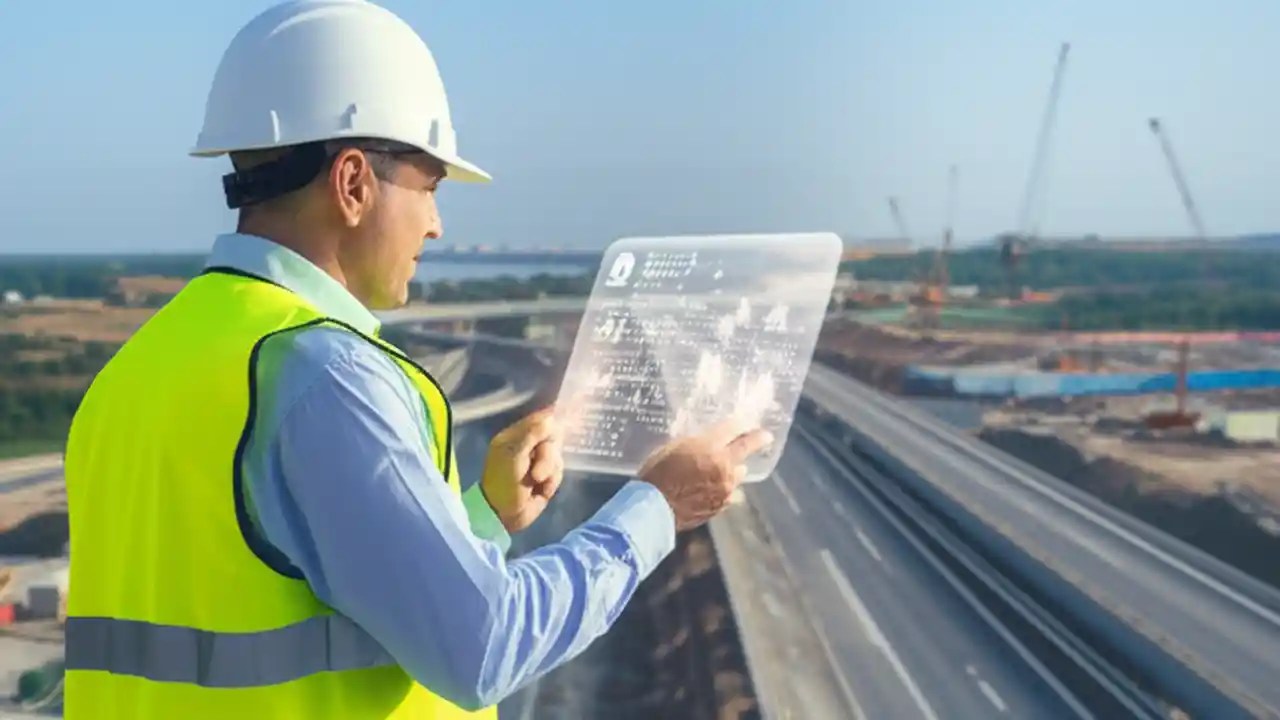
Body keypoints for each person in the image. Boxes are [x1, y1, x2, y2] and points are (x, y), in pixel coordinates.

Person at [61, 1, 772, 718]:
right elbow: (485, 645)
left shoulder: (137, 371)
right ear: (352, 184)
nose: (436, 223)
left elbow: (266, 582)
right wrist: (656, 505)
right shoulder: (325, 375)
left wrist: (482, 518)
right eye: (429, 186)